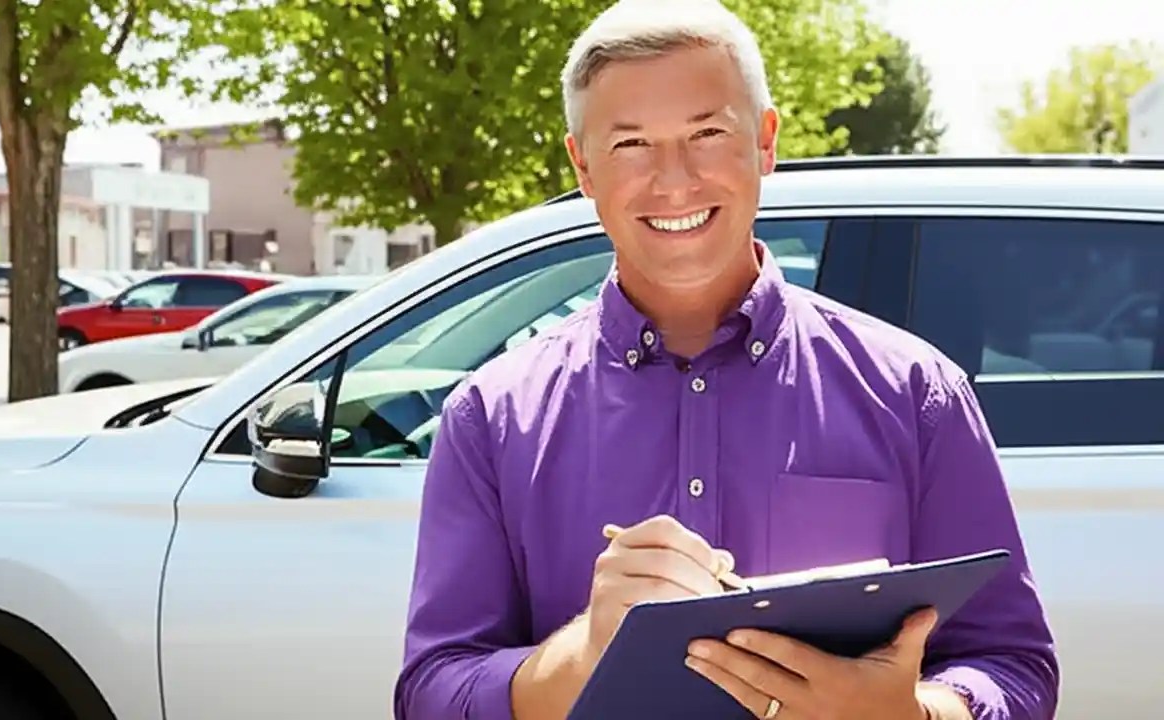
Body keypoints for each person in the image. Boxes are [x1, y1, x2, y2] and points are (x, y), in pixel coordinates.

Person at [392, 0, 1059, 718]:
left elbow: (1015, 669)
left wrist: (915, 714)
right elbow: (430, 694)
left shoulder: (916, 394)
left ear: (765, 141)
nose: (675, 181)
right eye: (631, 145)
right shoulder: (492, 419)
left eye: (707, 133)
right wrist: (582, 654)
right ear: (582, 166)